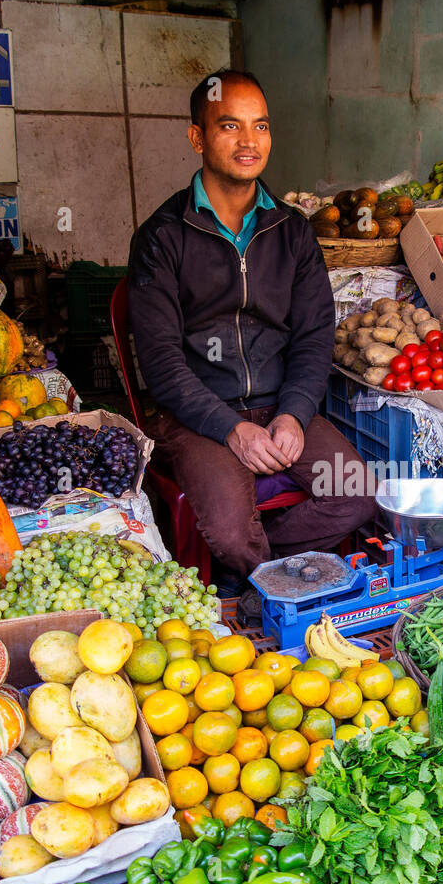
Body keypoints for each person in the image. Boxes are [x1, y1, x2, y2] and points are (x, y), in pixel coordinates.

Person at [126, 69, 376, 616]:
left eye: (260, 127)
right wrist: (230, 428)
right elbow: (162, 363)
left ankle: (263, 576)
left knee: (359, 494)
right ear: (197, 137)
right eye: (230, 126)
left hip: (280, 401)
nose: (249, 141)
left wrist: (293, 412)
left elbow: (313, 337)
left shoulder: (291, 231)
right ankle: (261, 570)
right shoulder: (162, 236)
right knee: (234, 534)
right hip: (198, 415)